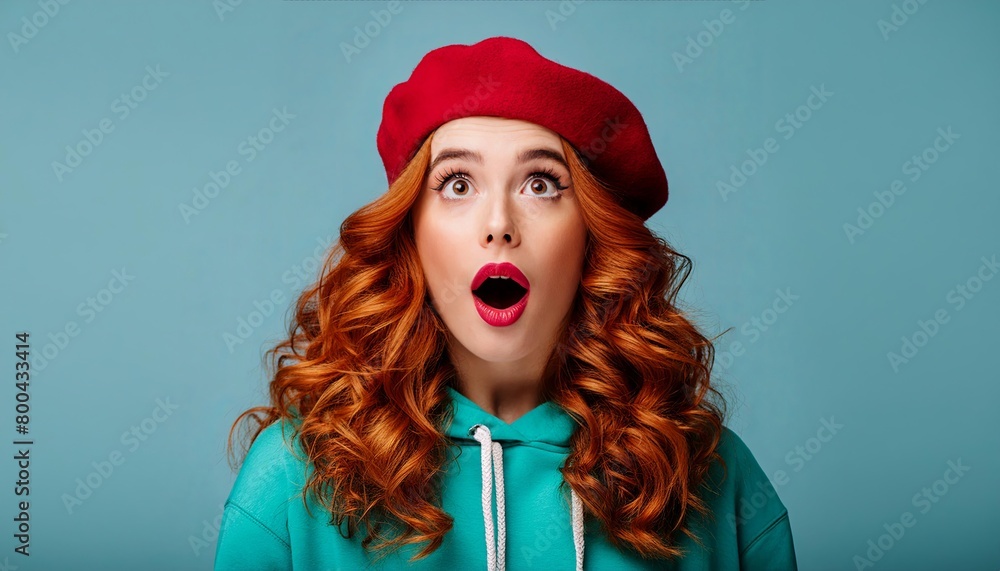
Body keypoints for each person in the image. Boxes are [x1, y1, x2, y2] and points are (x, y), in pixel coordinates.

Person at [214, 36, 798, 570]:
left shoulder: (713, 479)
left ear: (591, 236)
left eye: (540, 183)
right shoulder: (292, 478)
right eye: (458, 184)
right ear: (411, 233)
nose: (499, 225)